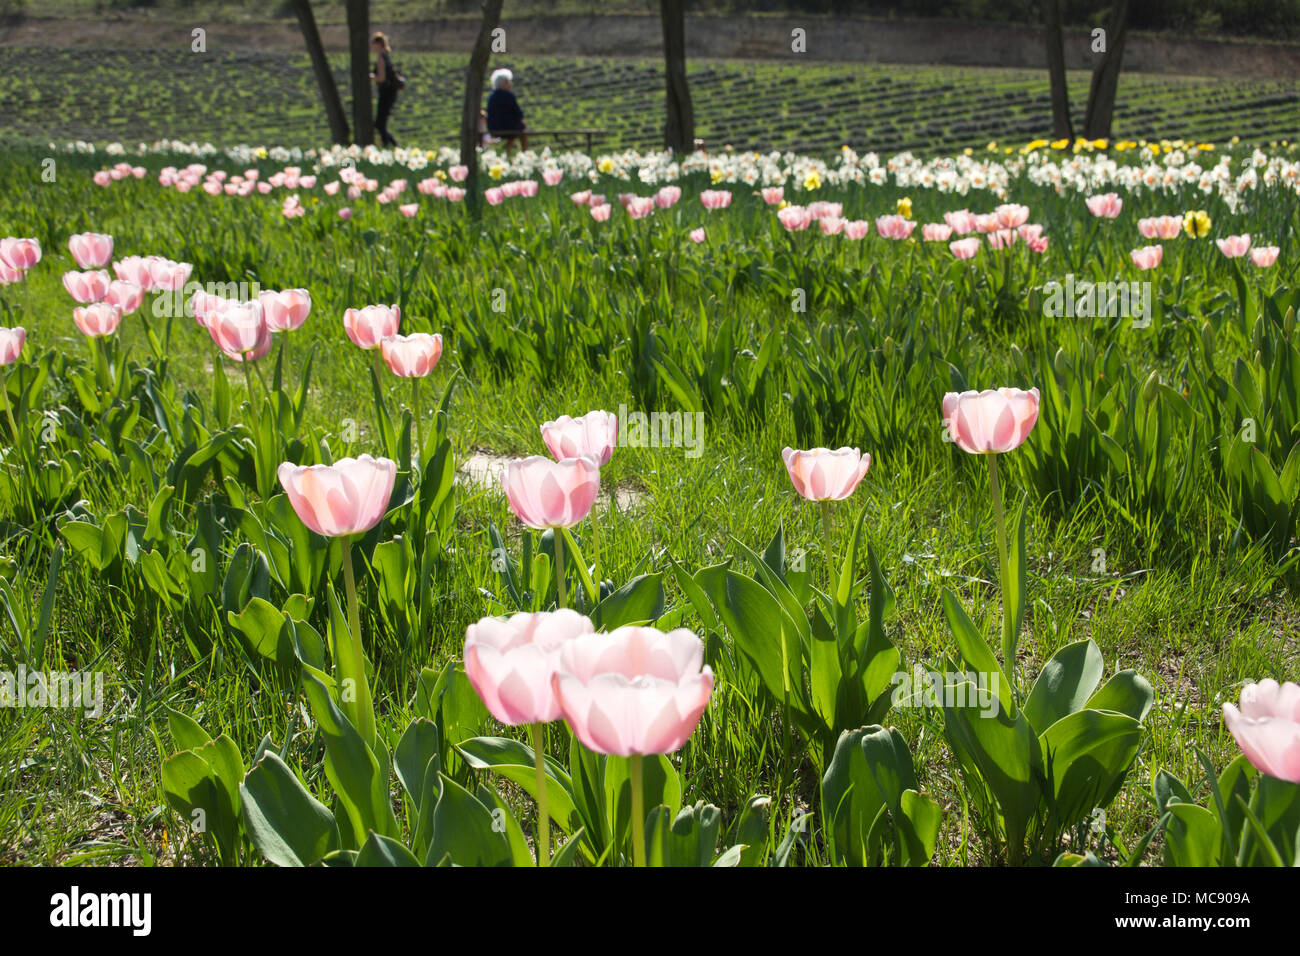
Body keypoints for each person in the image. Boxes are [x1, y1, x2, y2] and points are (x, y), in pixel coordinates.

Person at [486, 68, 527, 151]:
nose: (510, 84)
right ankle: (524, 152)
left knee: (514, 132)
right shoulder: (508, 95)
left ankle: (507, 152)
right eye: (508, 82)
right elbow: (518, 113)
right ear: (503, 84)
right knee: (522, 131)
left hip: (493, 128)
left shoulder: (491, 96)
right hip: (508, 127)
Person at [370, 32, 399, 148]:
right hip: (390, 93)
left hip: (386, 93)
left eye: (373, 43)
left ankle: (392, 145)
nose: (371, 46)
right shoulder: (386, 55)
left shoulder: (381, 57)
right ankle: (388, 145)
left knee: (379, 124)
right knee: (380, 123)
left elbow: (381, 78)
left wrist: (372, 77)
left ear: (378, 44)